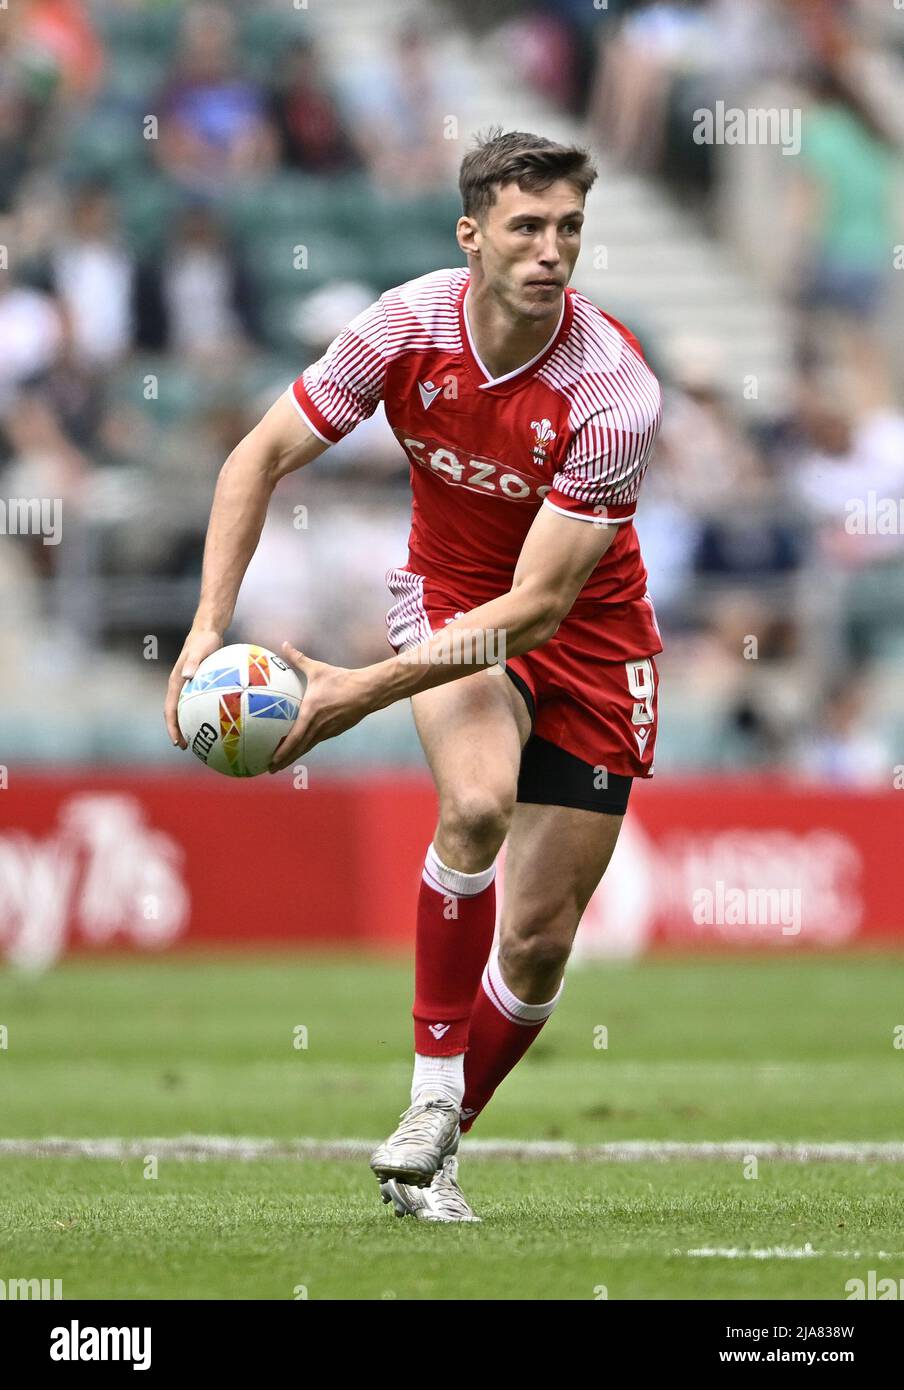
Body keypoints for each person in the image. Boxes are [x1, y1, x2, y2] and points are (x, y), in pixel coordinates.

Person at [164, 129, 663, 1222]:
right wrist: (206, 629)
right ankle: (428, 1099)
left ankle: (436, 1147)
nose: (550, 251)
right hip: (446, 599)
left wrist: (355, 689)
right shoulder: (401, 328)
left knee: (537, 943)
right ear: (469, 233)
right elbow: (257, 455)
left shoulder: (613, 389)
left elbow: (536, 608)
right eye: (526, 227)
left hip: (591, 637)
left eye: (568, 228)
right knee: (477, 803)